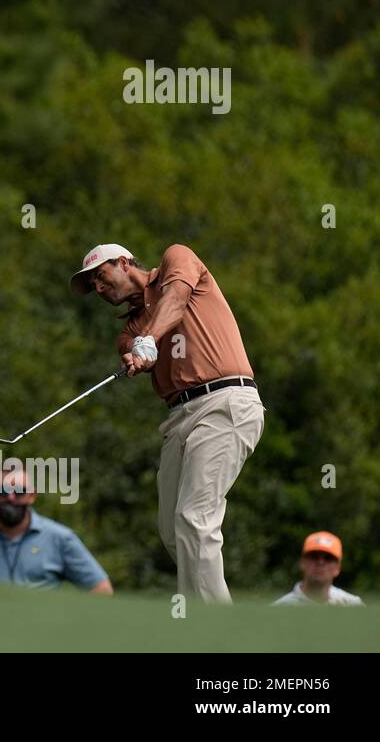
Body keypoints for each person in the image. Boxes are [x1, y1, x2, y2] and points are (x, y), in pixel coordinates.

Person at [71, 243, 264, 604]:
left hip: (225, 402)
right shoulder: (129, 330)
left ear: (124, 262)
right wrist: (137, 350)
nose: (98, 288)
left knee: (194, 519)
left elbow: (175, 299)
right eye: (93, 287)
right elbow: (130, 345)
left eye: (100, 276)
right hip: (179, 417)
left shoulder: (177, 259)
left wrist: (149, 340)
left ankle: (219, 635)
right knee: (174, 531)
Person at [0, 465, 112, 593]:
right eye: (2, 492)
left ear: (32, 496)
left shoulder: (60, 538)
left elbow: (101, 589)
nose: (10, 498)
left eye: (19, 491)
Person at [273, 532, 365, 606]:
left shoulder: (352, 604)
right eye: (314, 556)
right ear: (302, 563)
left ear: (337, 568)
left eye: (328, 558)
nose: (320, 562)